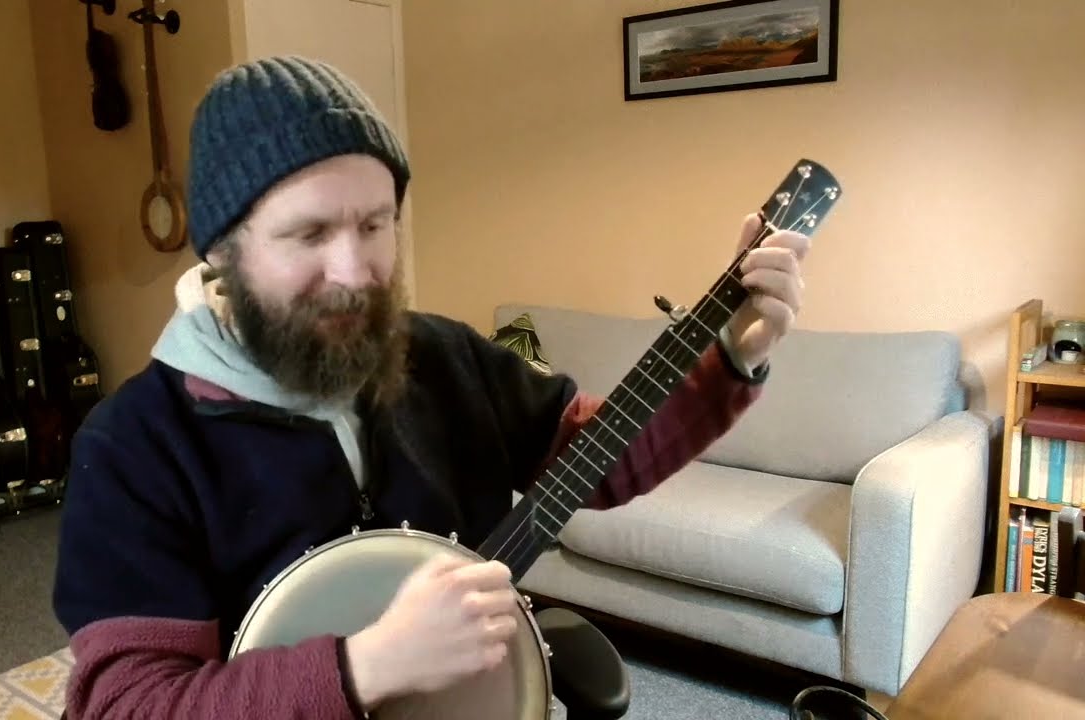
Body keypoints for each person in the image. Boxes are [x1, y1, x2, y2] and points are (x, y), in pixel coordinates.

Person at [51, 55, 811, 719]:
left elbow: (593, 458)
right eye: (310, 234)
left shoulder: (441, 354)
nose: (353, 273)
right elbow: (132, 704)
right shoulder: (136, 445)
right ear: (223, 250)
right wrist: (366, 668)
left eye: (376, 225)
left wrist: (732, 362)